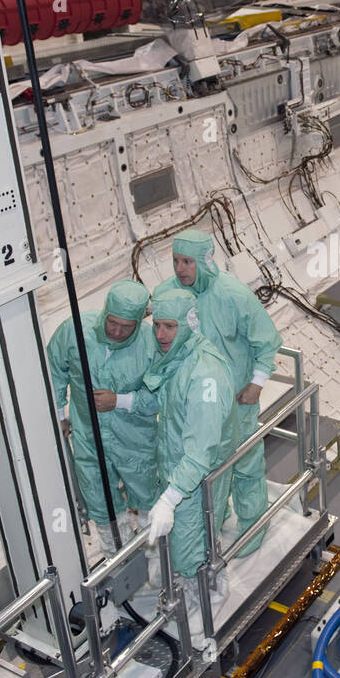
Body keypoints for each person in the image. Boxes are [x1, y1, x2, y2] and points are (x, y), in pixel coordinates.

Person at [154, 230, 282, 556]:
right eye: (176, 261)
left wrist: (256, 384)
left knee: (244, 464)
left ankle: (252, 527)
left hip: (237, 403)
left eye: (188, 261)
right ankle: (215, 521)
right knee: (205, 467)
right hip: (193, 406)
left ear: (206, 261)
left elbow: (265, 339)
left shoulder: (233, 295)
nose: (181, 269)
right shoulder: (168, 295)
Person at [46, 279, 158, 555]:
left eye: (126, 327)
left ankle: (153, 548)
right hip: (88, 434)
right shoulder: (75, 331)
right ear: (105, 311)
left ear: (140, 320)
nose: (117, 332)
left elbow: (162, 394)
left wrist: (119, 401)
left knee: (145, 491)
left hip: (135, 435)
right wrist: (60, 412)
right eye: (112, 323)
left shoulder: (150, 343)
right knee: (97, 491)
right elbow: (54, 370)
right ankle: (113, 549)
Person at [142, 288, 239, 595]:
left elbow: (201, 449)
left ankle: (203, 610)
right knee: (192, 540)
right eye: (157, 325)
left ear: (188, 323)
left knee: (192, 544)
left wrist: (170, 499)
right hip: (181, 471)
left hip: (194, 479)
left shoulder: (204, 373)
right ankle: (199, 582)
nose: (160, 334)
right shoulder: (181, 356)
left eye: (169, 326)